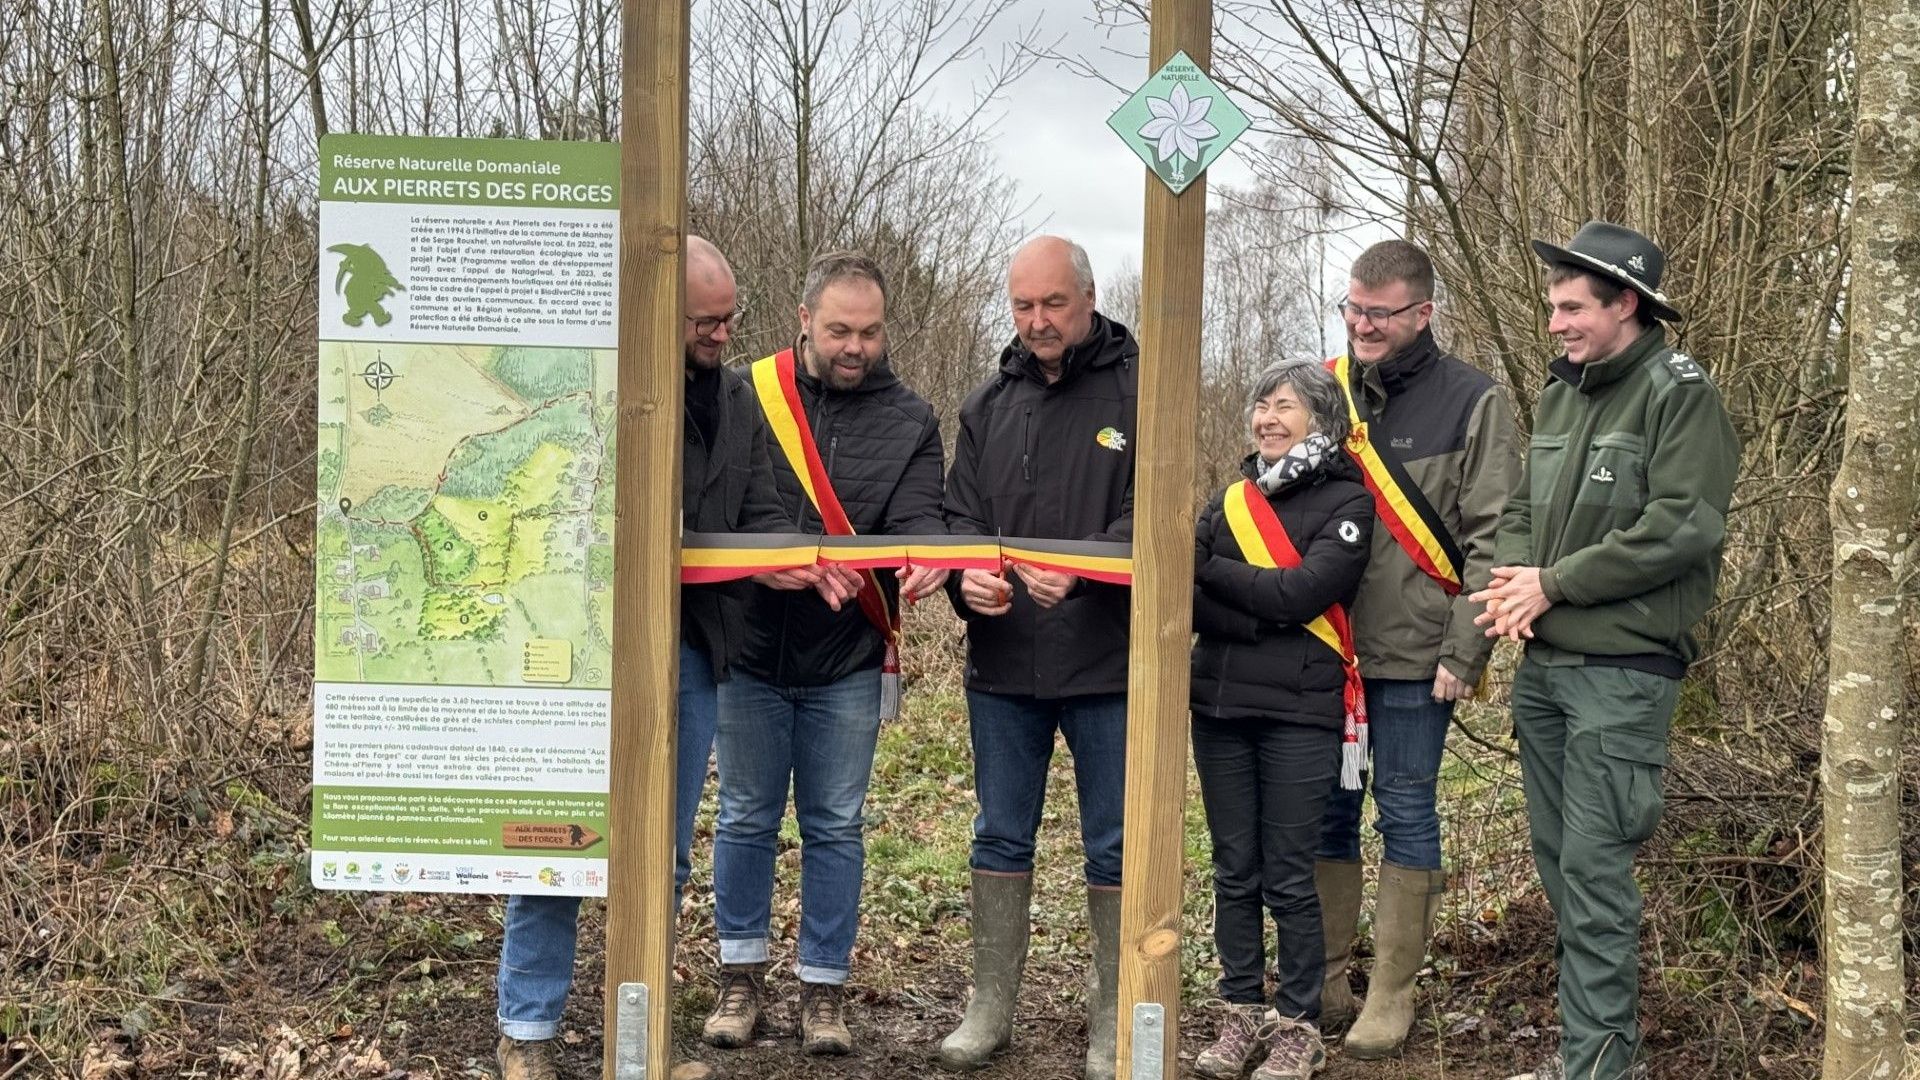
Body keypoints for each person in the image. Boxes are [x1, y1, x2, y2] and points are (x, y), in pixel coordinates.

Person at [496, 236, 801, 1080]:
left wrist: (792, 560)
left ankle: (643, 1042)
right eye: (705, 320)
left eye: (729, 317)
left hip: (691, 651)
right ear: (659, 316)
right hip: (583, 656)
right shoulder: (592, 388)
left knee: (662, 851)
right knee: (560, 836)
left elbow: (766, 507)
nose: (721, 334)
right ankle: (526, 1031)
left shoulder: (738, 401)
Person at [1473, 222, 1739, 1080]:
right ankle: (1589, 1058)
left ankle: (1601, 1070)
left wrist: (1556, 583)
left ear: (1626, 304)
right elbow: (1521, 513)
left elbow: (1681, 528)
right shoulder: (1563, 395)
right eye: (1554, 307)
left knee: (1594, 881)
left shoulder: (1679, 394)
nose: (1554, 323)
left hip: (1620, 679)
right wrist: (1513, 590)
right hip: (1546, 670)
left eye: (1571, 307)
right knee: (1563, 878)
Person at [702, 250, 949, 1058]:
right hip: (747, 649)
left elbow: (918, 516)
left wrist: (925, 556)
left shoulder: (912, 419)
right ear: (803, 321)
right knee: (743, 817)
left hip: (845, 657)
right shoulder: (743, 392)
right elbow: (718, 508)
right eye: (839, 329)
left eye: (869, 332)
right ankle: (738, 978)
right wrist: (769, 559)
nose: (855, 346)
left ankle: (824, 989)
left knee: (836, 823)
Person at [1311, 240, 1521, 1058]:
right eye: (1353, 310)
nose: (1362, 326)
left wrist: (1465, 651)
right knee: (1326, 813)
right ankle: (1325, 977)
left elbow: (1494, 533)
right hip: (1326, 647)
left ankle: (1390, 995)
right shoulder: (1323, 390)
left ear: (1423, 313)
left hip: (1414, 657)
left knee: (1404, 811)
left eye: (1380, 314)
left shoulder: (1474, 400)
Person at [938, 236, 1138, 1080]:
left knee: (1116, 846)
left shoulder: (1140, 390)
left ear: (1088, 298)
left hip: (1108, 664)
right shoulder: (988, 403)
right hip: (1004, 664)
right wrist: (965, 584)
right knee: (998, 833)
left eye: (1053, 304)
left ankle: (1114, 1016)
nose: (1038, 322)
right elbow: (955, 521)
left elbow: (1157, 516)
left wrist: (1089, 574)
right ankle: (990, 1007)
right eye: (1023, 306)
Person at [1187, 359, 1374, 1080]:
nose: (1267, 416)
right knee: (1235, 870)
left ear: (1320, 420)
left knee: (1289, 876)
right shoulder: (1225, 499)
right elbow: (1189, 596)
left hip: (1301, 712)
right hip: (1221, 706)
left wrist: (1218, 578)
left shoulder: (1348, 503)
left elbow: (1302, 594)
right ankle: (1239, 1012)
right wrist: (1256, 605)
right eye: (1261, 403)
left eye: (1285, 405)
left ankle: (1298, 1024)